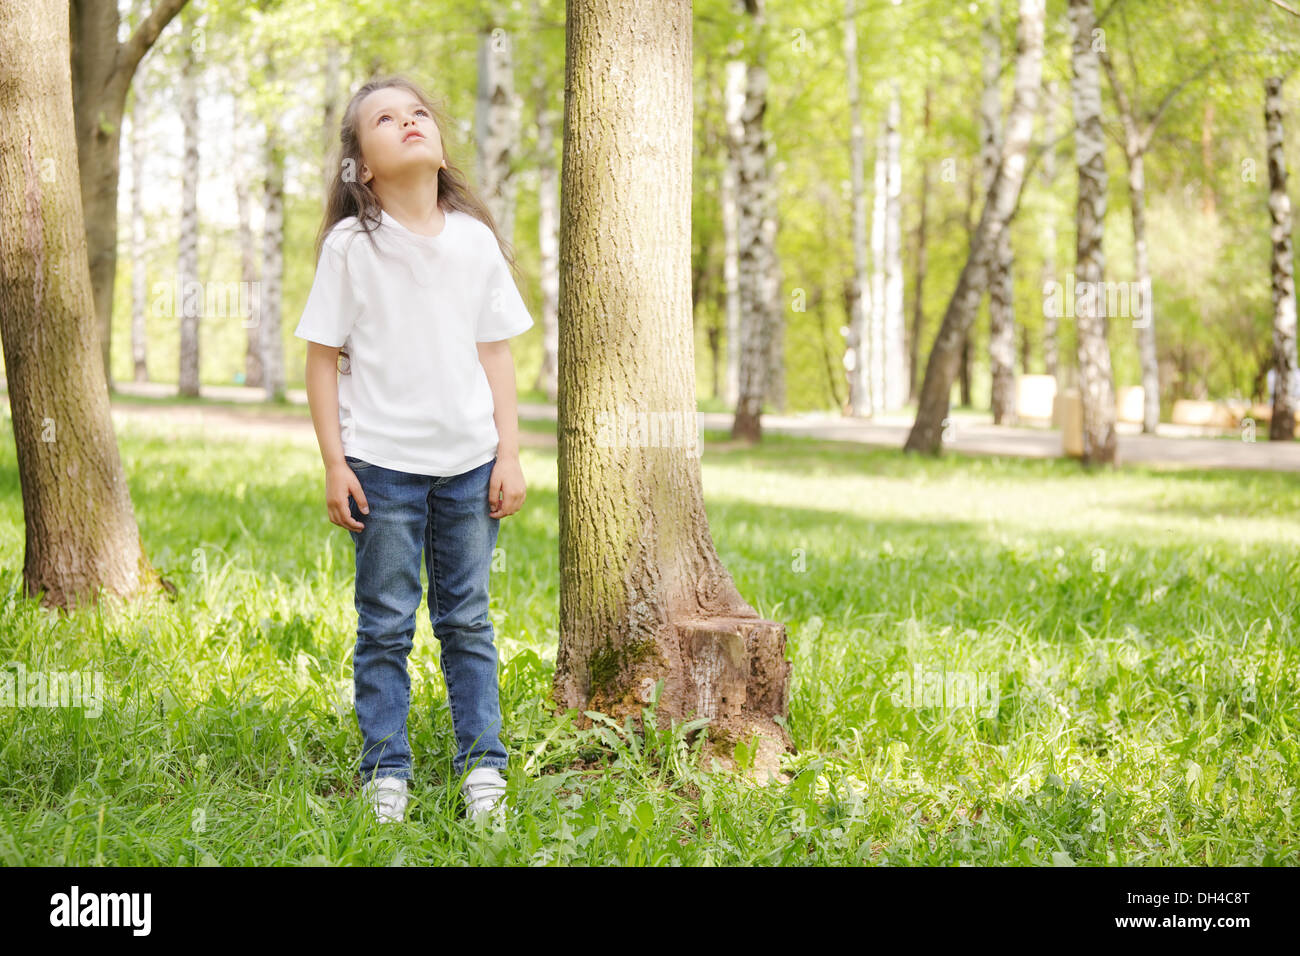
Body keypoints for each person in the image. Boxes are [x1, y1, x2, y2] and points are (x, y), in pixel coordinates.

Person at [294, 75, 533, 826]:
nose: (409, 122)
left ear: (437, 141)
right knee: (386, 624)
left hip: (469, 466)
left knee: (467, 620)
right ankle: (385, 773)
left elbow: (495, 354)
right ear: (361, 165)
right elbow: (321, 357)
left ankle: (483, 771)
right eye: (385, 118)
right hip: (382, 468)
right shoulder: (350, 246)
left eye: (419, 112)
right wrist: (335, 462)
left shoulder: (473, 241)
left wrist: (511, 453)